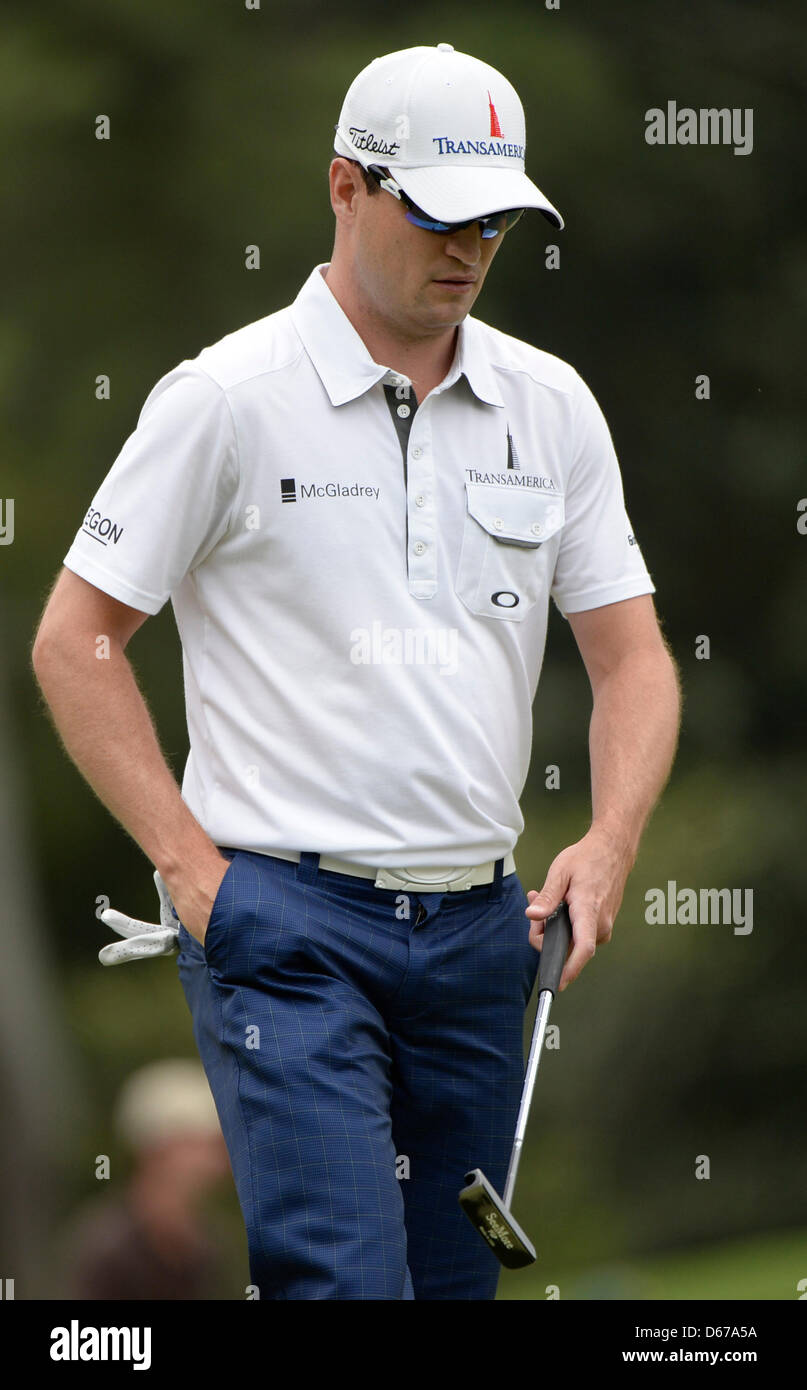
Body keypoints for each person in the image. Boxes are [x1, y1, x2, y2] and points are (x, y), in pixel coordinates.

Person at [32, 42, 681, 1300]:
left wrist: (608, 844)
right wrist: (191, 869)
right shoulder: (223, 398)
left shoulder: (552, 406)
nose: (471, 248)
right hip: (284, 925)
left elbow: (634, 660)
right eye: (441, 214)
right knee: (342, 1283)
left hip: (487, 933)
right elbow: (77, 639)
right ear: (345, 185)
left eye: (496, 220)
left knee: (453, 1286)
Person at [62, 1060, 233, 1300]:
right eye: (204, 1144)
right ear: (159, 1148)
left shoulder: (206, 1244)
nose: (219, 1160)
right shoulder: (104, 1246)